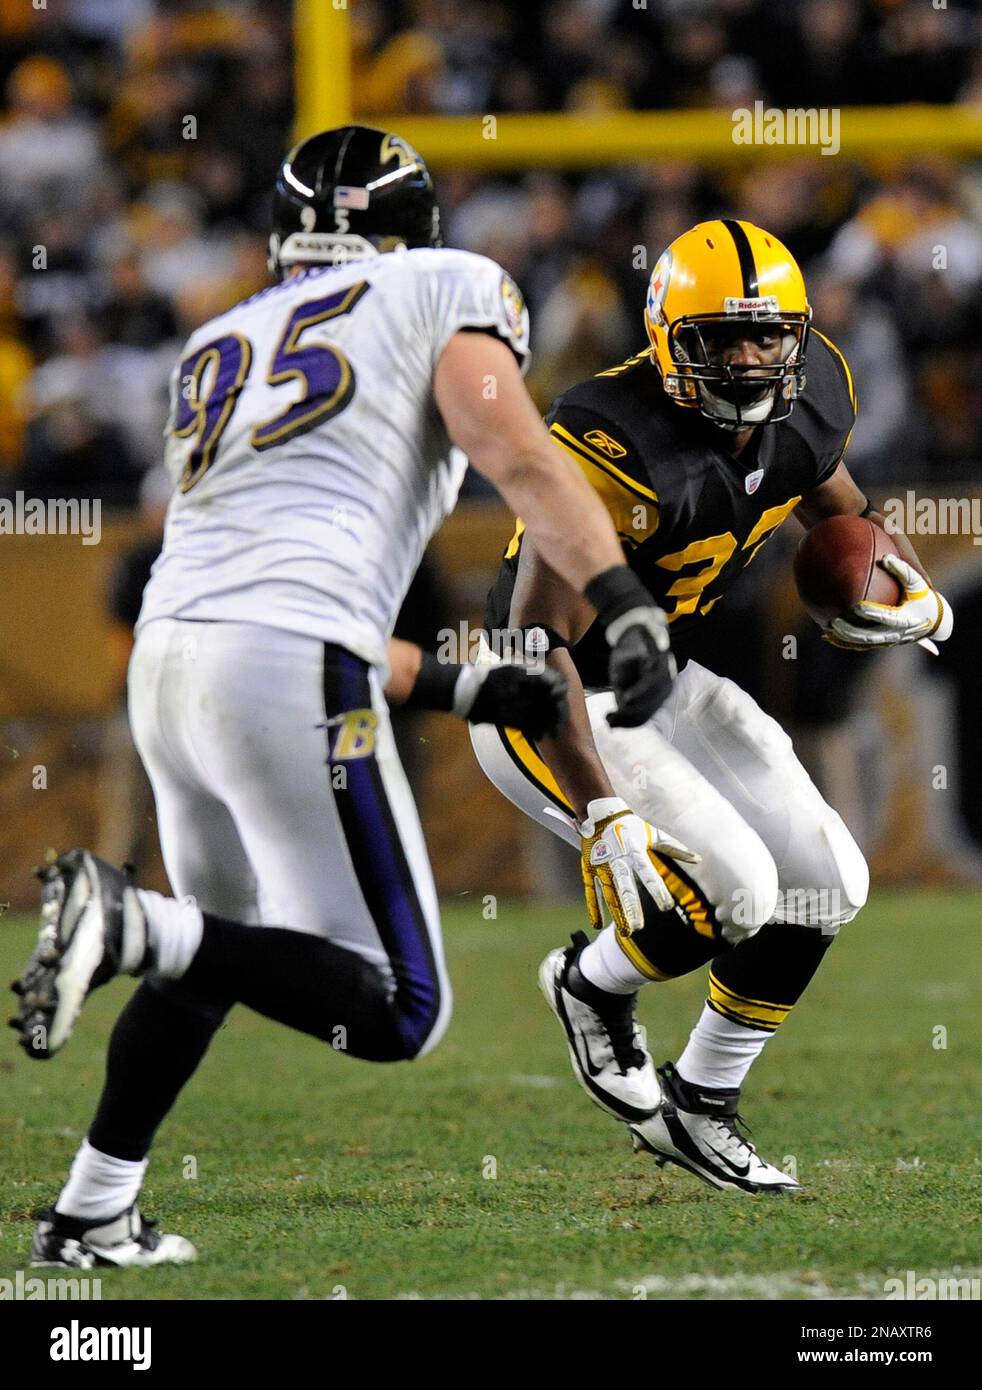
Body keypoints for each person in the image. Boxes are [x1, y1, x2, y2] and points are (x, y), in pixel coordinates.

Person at [10, 126, 682, 1268]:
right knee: (398, 1009)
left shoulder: (221, 338)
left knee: (208, 953)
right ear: (413, 228)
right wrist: (618, 595)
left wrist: (463, 682)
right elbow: (515, 455)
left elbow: (275, 576)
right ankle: (124, 920)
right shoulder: (443, 284)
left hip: (171, 663)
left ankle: (90, 1207)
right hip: (283, 660)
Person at [471, 218, 953, 1192]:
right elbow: (538, 640)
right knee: (734, 888)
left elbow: (837, 507)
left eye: (763, 335)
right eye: (716, 338)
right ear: (665, 340)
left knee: (825, 879)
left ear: (796, 334)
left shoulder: (813, 386)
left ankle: (701, 1101)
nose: (744, 358)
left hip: (663, 677)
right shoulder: (609, 437)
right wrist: (602, 809)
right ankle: (588, 982)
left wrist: (891, 575)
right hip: (548, 697)